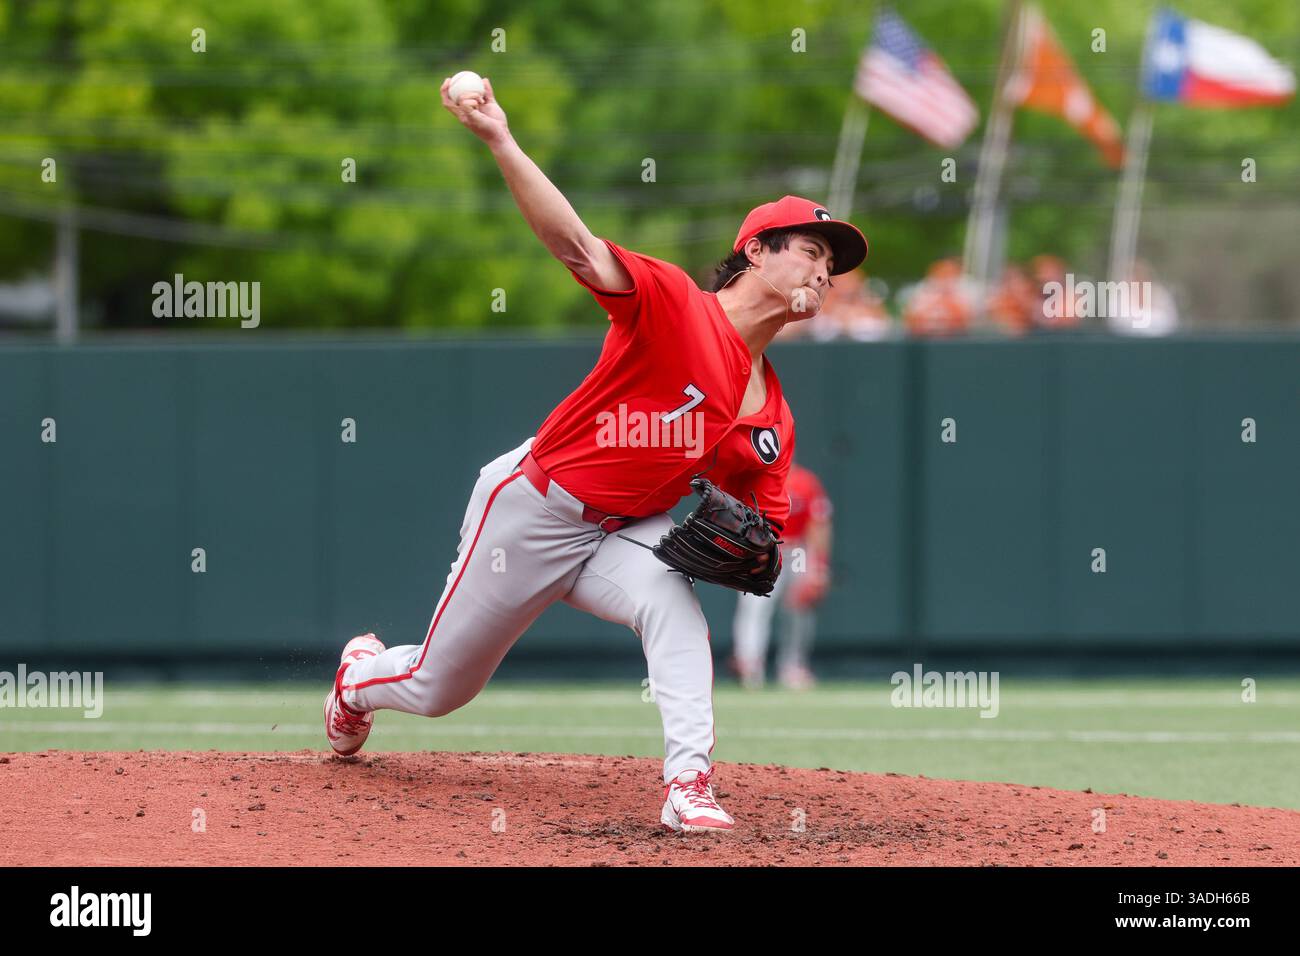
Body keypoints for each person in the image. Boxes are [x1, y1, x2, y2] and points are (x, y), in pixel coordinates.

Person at [322, 74, 868, 833]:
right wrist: (500, 139)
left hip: (620, 531)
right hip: (535, 507)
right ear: (754, 251)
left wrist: (763, 554)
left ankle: (689, 786)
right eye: (811, 250)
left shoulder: (771, 415)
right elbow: (576, 245)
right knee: (439, 688)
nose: (824, 271)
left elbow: (765, 532)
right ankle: (357, 678)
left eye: (831, 263)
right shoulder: (677, 306)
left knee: (672, 607)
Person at [731, 461, 833, 690]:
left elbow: (819, 524)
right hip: (763, 550)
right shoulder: (755, 480)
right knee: (754, 607)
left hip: (796, 551)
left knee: (798, 608)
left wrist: (819, 566)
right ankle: (750, 666)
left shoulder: (805, 481)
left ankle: (793, 667)